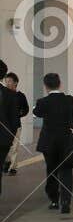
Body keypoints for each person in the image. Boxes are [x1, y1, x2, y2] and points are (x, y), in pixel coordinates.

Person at [32, 73, 73, 215]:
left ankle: (54, 200)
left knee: (52, 170)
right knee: (67, 170)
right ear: (59, 83)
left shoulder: (43, 102)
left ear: (46, 86)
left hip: (49, 142)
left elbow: (36, 113)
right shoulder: (70, 100)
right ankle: (66, 201)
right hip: (66, 140)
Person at [0, 71, 24, 200]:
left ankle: (12, 166)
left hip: (7, 133)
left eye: (10, 81)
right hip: (5, 136)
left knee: (14, 148)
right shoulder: (8, 94)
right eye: (6, 80)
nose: (8, 82)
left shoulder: (16, 96)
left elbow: (22, 111)